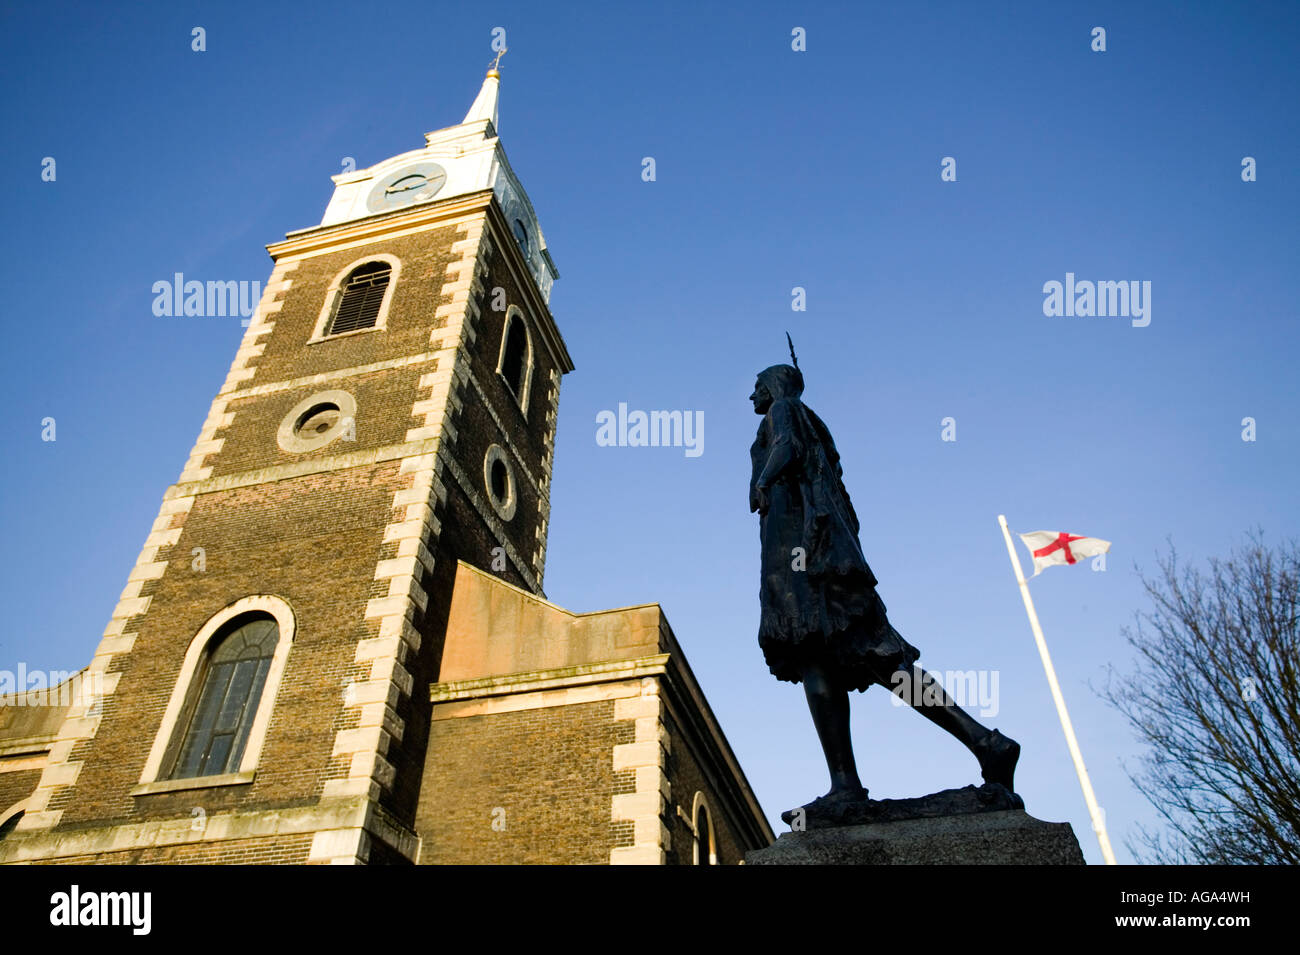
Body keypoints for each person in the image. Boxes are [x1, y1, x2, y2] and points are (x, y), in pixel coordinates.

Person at [749, 357, 1019, 807]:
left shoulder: (786, 410)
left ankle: (974, 745)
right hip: (808, 556)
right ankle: (851, 784)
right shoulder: (807, 422)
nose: (751, 394)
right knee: (829, 663)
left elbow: (788, 449)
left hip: (806, 564)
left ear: (776, 384)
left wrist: (761, 480)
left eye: (758, 384)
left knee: (859, 657)